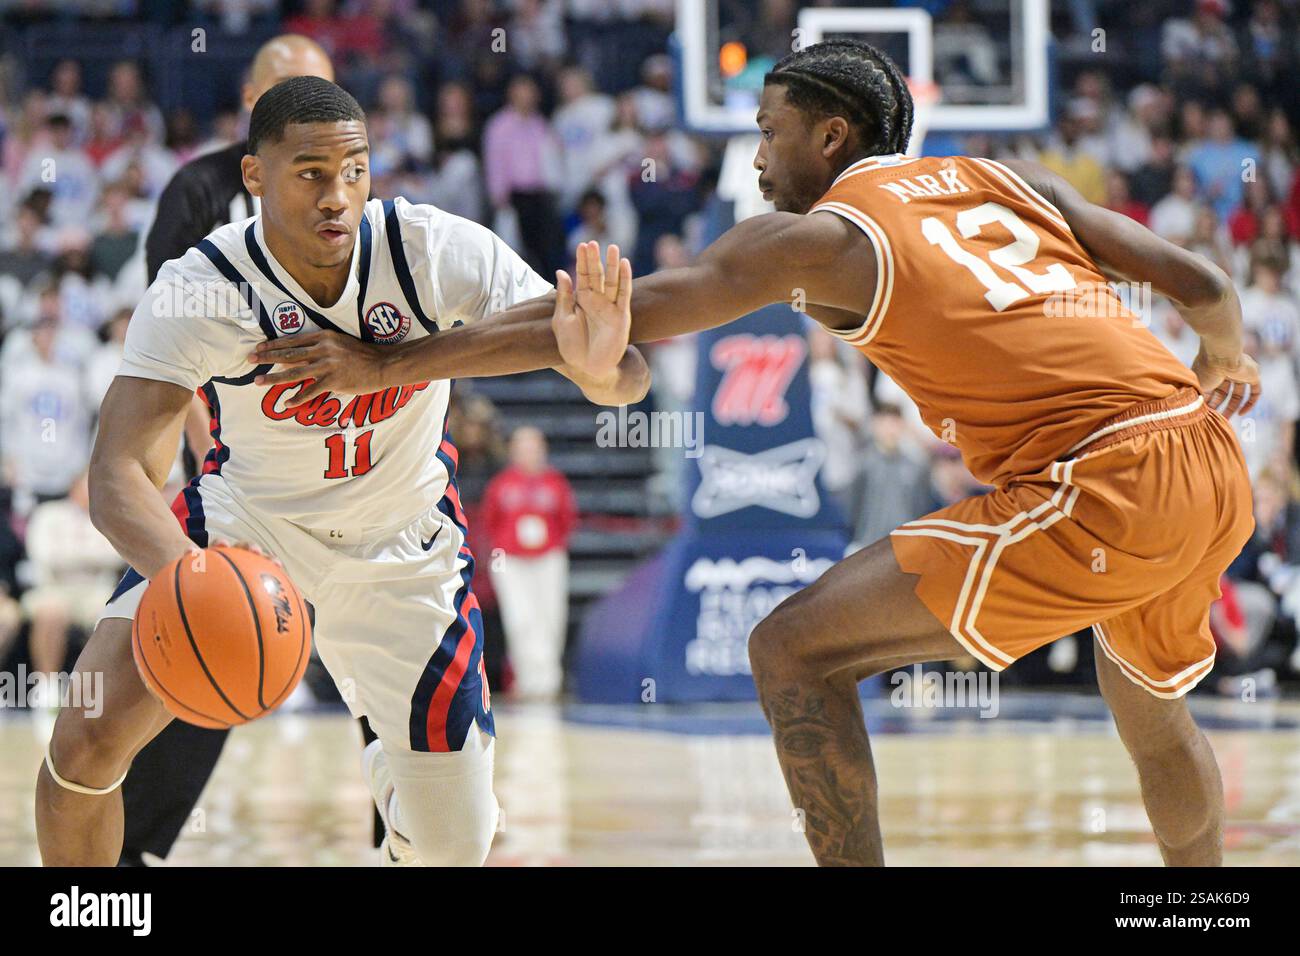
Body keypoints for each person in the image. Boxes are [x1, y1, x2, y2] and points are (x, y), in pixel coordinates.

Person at [267, 40, 1261, 868]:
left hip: (1103, 480)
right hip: (1206, 459)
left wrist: (387, 362)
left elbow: (623, 313)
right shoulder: (1011, 181)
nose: (756, 161)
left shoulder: (823, 238)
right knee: (1157, 719)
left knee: (789, 646)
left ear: (832, 134)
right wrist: (1221, 349)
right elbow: (1202, 280)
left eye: (767, 132)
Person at [34, 76, 649, 868]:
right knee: (85, 740)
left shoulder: (432, 250)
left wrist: (601, 370)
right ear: (255, 176)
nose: (338, 195)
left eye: (354, 170)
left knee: (456, 845)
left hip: (402, 540)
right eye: (311, 173)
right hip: (246, 524)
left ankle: (402, 808)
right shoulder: (201, 287)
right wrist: (191, 579)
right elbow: (118, 472)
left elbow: (621, 373)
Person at [119, 33, 336, 869]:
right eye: (287, 90)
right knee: (206, 649)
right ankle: (133, 851)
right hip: (231, 462)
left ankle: (403, 839)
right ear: (250, 102)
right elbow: (167, 350)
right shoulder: (198, 191)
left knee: (373, 668)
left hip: (342, 462)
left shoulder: (352, 198)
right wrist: (217, 463)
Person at [480, 426, 577, 702]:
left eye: (533, 447)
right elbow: (491, 521)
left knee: (550, 617)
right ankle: (527, 678)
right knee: (520, 618)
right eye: (522, 448)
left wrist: (552, 547)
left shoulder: (555, 483)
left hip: (548, 557)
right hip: (511, 560)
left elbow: (567, 519)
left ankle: (549, 679)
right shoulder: (501, 485)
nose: (528, 454)